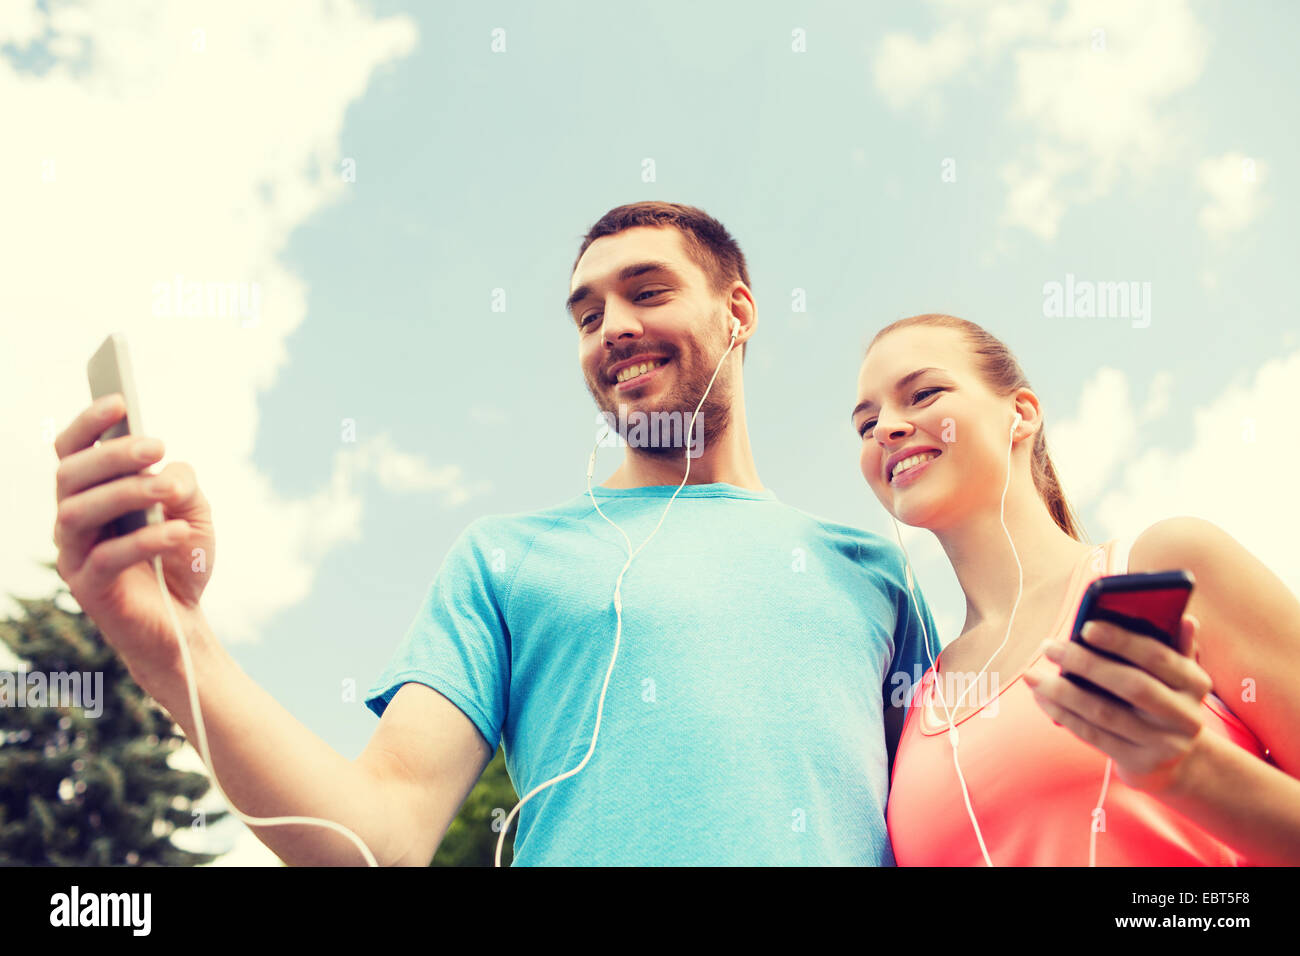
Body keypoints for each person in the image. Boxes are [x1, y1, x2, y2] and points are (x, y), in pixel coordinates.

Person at [51, 201, 939, 866]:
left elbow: (949, 830)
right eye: (587, 316)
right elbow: (377, 838)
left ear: (738, 312)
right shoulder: (506, 561)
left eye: (647, 291)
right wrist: (177, 649)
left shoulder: (871, 574)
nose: (613, 329)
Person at [851, 312, 1300, 866]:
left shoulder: (1168, 566)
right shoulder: (913, 706)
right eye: (866, 425)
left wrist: (1193, 772)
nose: (887, 429)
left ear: (1020, 414)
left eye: (923, 394)